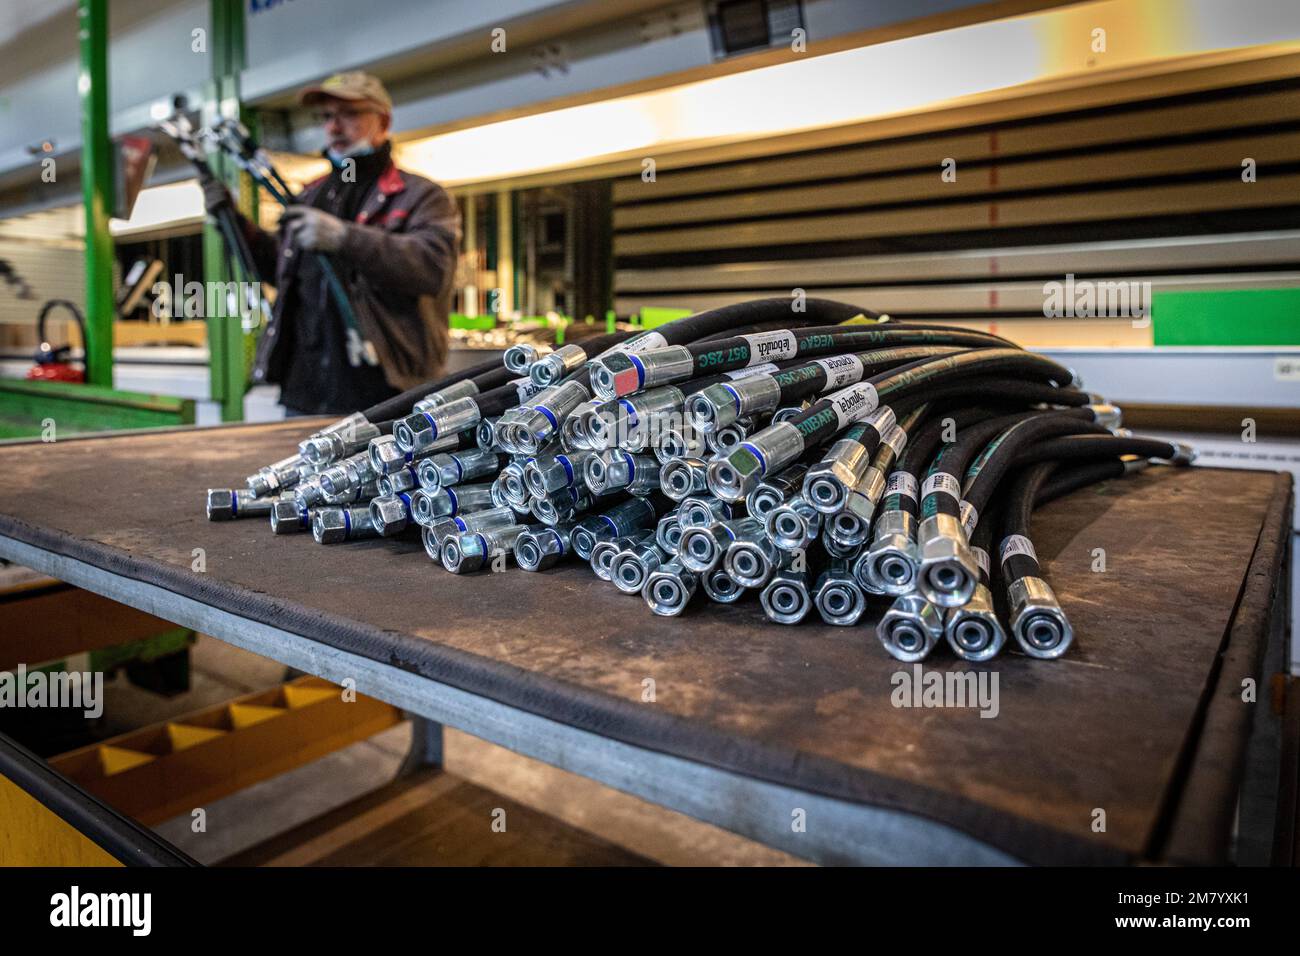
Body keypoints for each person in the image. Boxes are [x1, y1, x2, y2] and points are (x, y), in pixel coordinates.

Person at [204, 71, 460, 416]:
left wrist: (344, 238)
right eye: (326, 117)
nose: (334, 127)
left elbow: (433, 268)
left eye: (349, 114)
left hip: (383, 394)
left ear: (383, 121)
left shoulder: (421, 196)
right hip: (306, 393)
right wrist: (232, 221)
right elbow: (277, 268)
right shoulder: (312, 194)